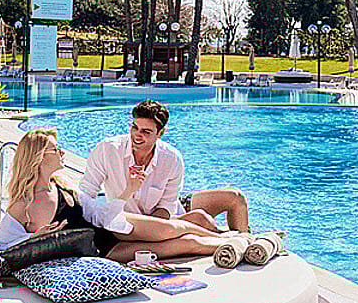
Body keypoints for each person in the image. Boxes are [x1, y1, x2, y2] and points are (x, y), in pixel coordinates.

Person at [0, 128, 231, 262]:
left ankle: (236, 238)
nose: (62, 152)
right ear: (39, 158)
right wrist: (34, 239)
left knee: (173, 228)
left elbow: (94, 213)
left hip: (111, 224)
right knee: (187, 243)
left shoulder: (61, 185)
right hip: (104, 249)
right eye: (55, 150)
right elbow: (0, 245)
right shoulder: (25, 204)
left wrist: (126, 194)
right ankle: (235, 246)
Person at [79, 100, 251, 233]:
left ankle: (245, 244)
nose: (137, 136)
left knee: (236, 197)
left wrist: (160, 226)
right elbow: (86, 193)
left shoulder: (172, 159)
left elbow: (167, 206)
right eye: (135, 128)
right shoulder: (108, 150)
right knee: (202, 220)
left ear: (161, 133)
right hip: (136, 224)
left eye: (146, 132)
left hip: (170, 214)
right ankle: (234, 242)